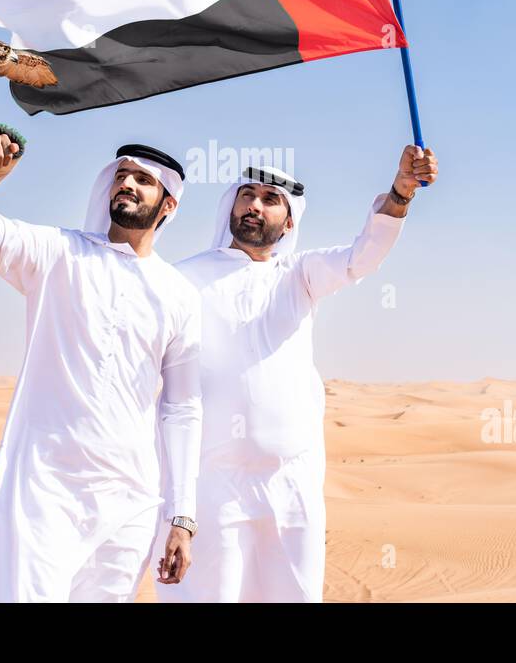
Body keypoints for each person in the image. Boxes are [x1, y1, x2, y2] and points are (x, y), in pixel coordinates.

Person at [154, 145, 438, 602]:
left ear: (288, 223)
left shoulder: (300, 274)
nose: (255, 205)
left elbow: (362, 257)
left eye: (270, 199)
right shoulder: (183, 279)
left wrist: (401, 192)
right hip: (213, 486)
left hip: (291, 486)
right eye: (247, 195)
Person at [0, 133, 203, 601]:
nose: (127, 185)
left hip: (130, 499)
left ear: (168, 205)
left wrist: (182, 516)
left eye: (143, 180)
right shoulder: (58, 252)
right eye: (121, 176)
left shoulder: (179, 294)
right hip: (45, 488)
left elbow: (182, 408)